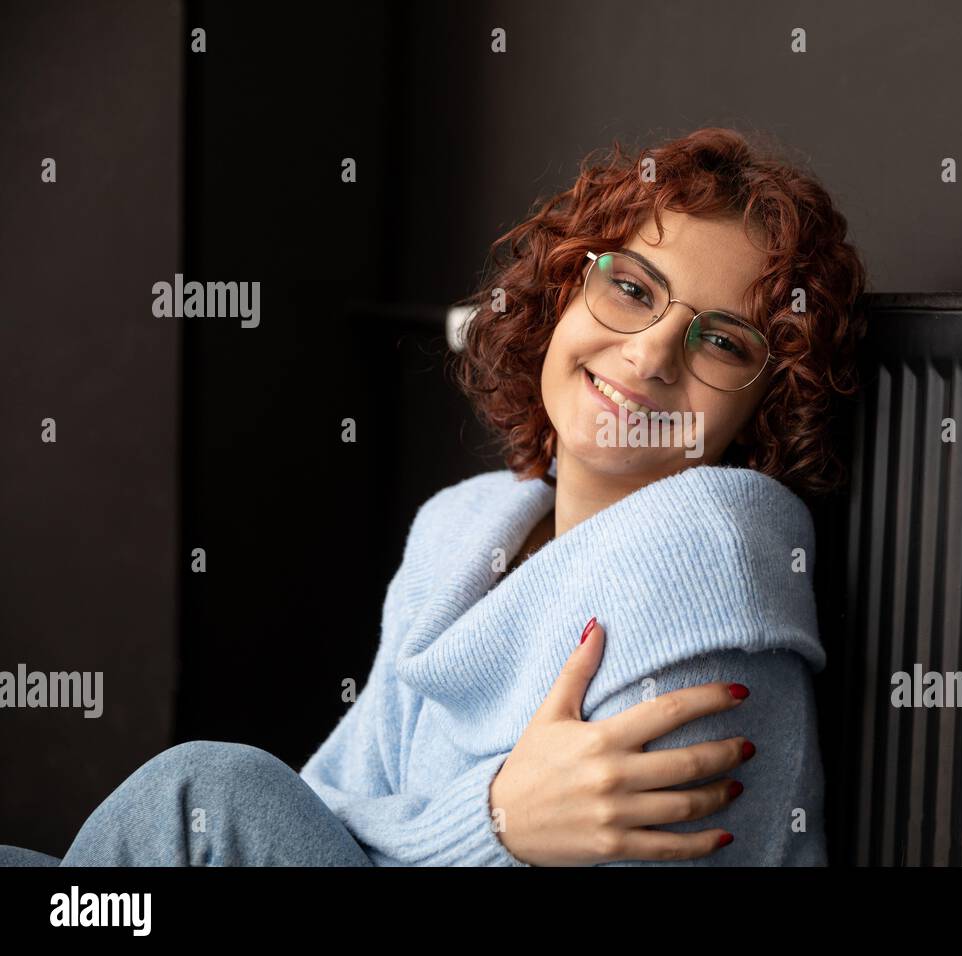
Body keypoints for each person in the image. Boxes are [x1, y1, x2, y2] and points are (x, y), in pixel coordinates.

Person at [0, 126, 867, 867]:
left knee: (206, 796)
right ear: (565, 288)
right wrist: (492, 820)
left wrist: (484, 825)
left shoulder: (706, 569)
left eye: (722, 342)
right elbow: (327, 804)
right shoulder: (466, 530)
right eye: (631, 289)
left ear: (766, 406)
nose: (648, 356)